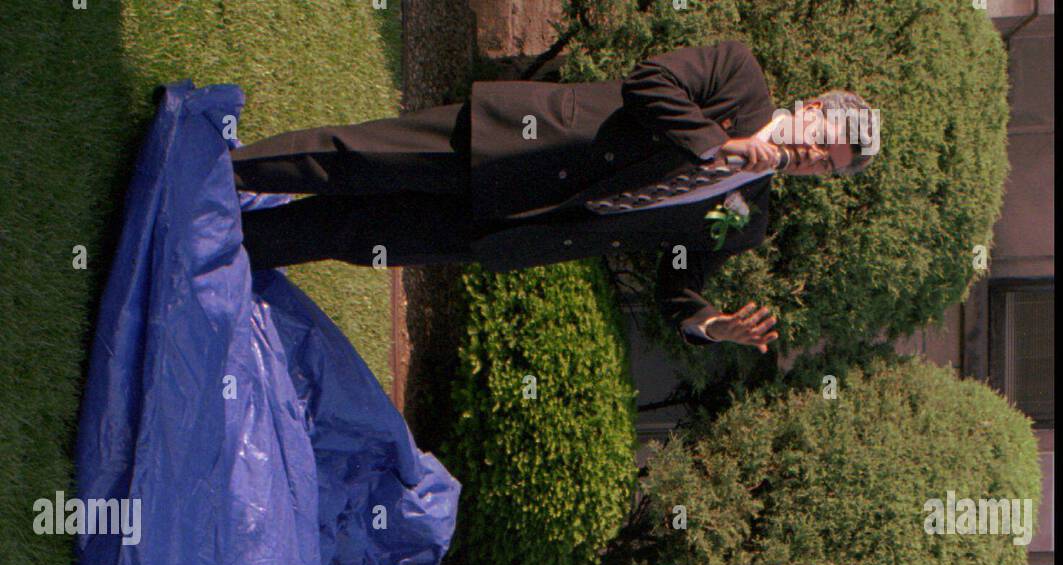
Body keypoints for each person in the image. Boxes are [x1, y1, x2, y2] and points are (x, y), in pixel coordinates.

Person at [232, 41, 877, 352]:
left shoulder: (747, 219)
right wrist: (717, 145)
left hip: (528, 229)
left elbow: (678, 281)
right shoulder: (739, 78)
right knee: (359, 160)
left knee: (364, 238)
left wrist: (710, 322)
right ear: (813, 108)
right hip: (520, 145)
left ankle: (235, 247)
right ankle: (222, 174)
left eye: (827, 165)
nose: (814, 158)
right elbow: (651, 84)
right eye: (823, 141)